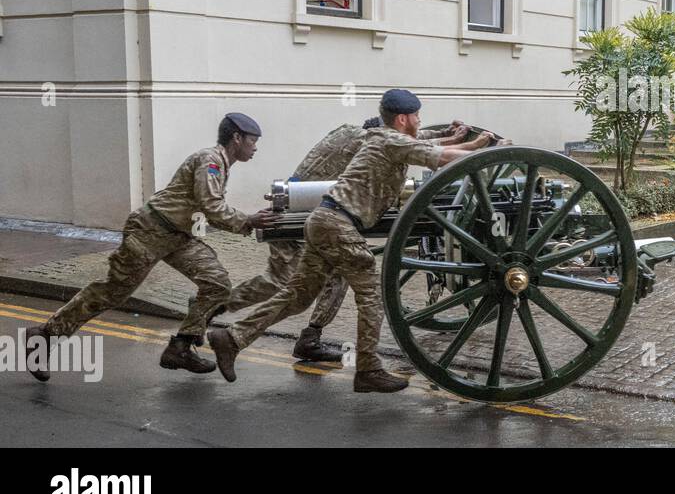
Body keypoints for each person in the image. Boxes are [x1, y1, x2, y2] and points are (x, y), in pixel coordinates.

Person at [208, 90, 502, 393]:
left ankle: (232, 337)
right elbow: (439, 157)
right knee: (372, 292)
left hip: (323, 221)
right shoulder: (392, 140)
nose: (419, 120)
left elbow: (428, 143)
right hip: (338, 224)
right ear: (403, 119)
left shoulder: (384, 137)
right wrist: (488, 153)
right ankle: (368, 369)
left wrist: (469, 141)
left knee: (299, 296)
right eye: (417, 116)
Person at [195, 117, 471, 362]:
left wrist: (449, 135)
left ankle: (308, 338)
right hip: (300, 216)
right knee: (279, 282)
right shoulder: (367, 139)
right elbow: (407, 145)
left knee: (330, 277)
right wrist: (455, 139)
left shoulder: (348, 133)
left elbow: (409, 142)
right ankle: (213, 309)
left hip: (307, 212)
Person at [26, 113, 276, 381]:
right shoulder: (210, 160)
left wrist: (250, 222)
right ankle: (44, 335)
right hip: (149, 231)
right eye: (252, 141)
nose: (255, 147)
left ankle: (181, 347)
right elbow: (211, 205)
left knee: (217, 284)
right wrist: (248, 220)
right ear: (236, 138)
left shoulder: (221, 163)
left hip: (177, 236)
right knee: (111, 293)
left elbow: (208, 207)